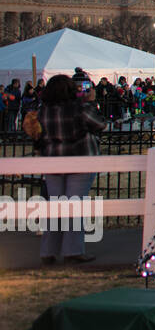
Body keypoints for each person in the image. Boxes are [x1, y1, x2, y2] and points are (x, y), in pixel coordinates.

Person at [33, 75, 106, 265]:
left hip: (53, 159)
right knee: (75, 205)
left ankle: (48, 251)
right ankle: (72, 251)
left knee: (55, 206)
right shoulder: (80, 108)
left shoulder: (43, 111)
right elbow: (100, 124)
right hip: (80, 158)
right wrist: (91, 102)